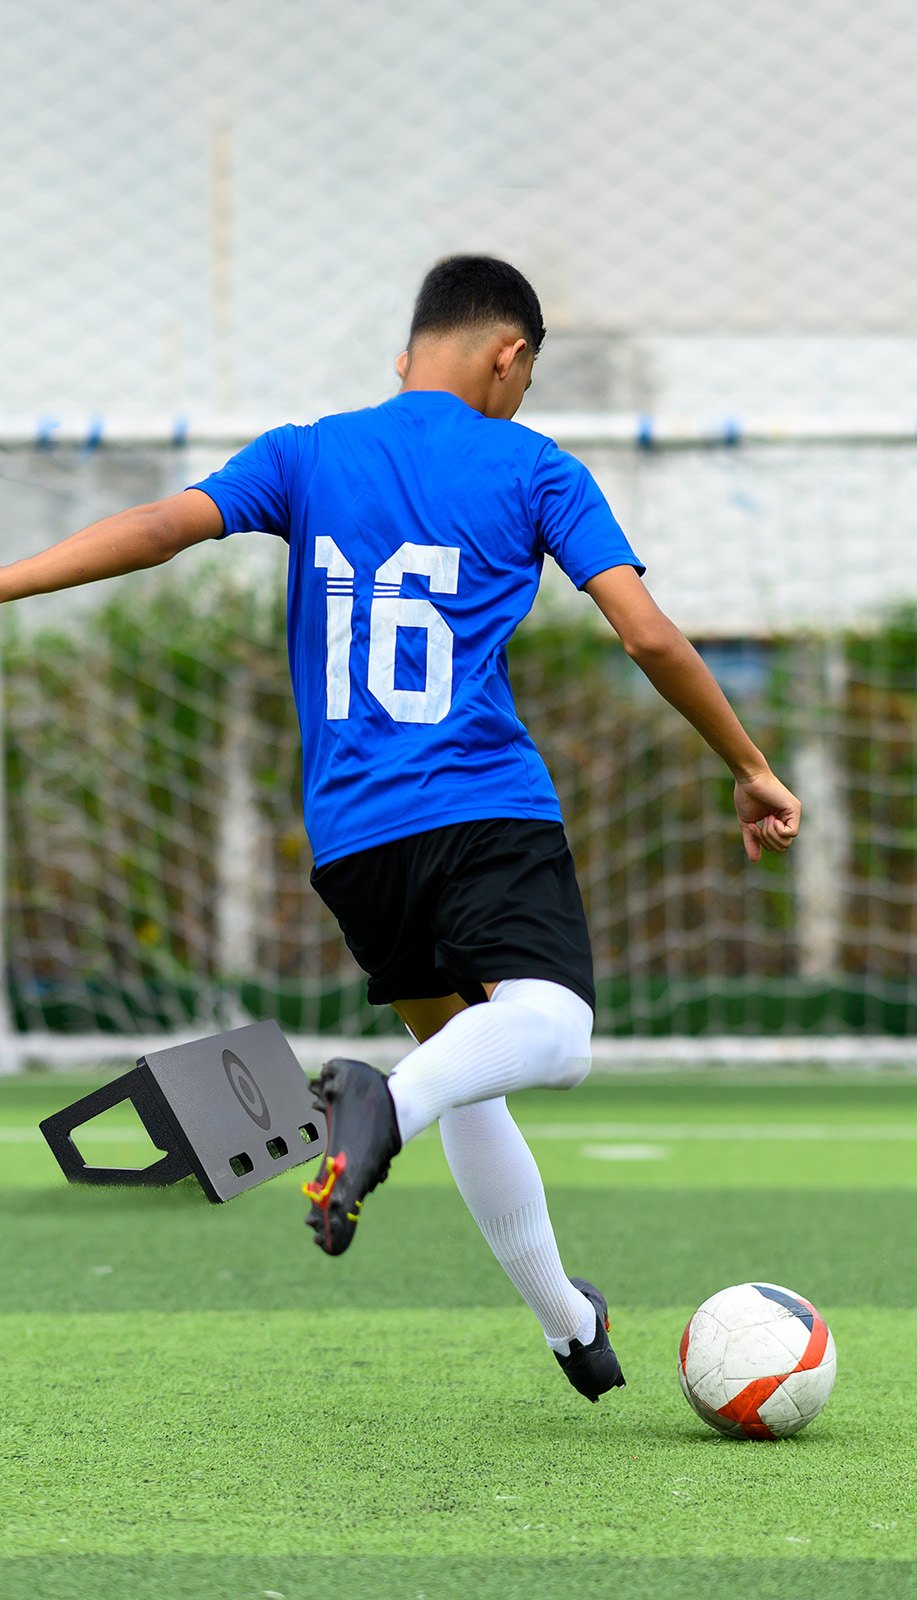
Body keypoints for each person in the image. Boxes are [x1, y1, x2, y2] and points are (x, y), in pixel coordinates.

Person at [0, 254, 802, 1404]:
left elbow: (155, 529)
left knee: (470, 1064)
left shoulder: (306, 452)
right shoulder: (534, 466)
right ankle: (381, 1103)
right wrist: (750, 764)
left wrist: (5, 583)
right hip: (480, 807)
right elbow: (650, 638)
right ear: (508, 355)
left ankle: (569, 1325)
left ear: (405, 352)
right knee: (553, 1030)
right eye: (525, 375)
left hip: (354, 843)